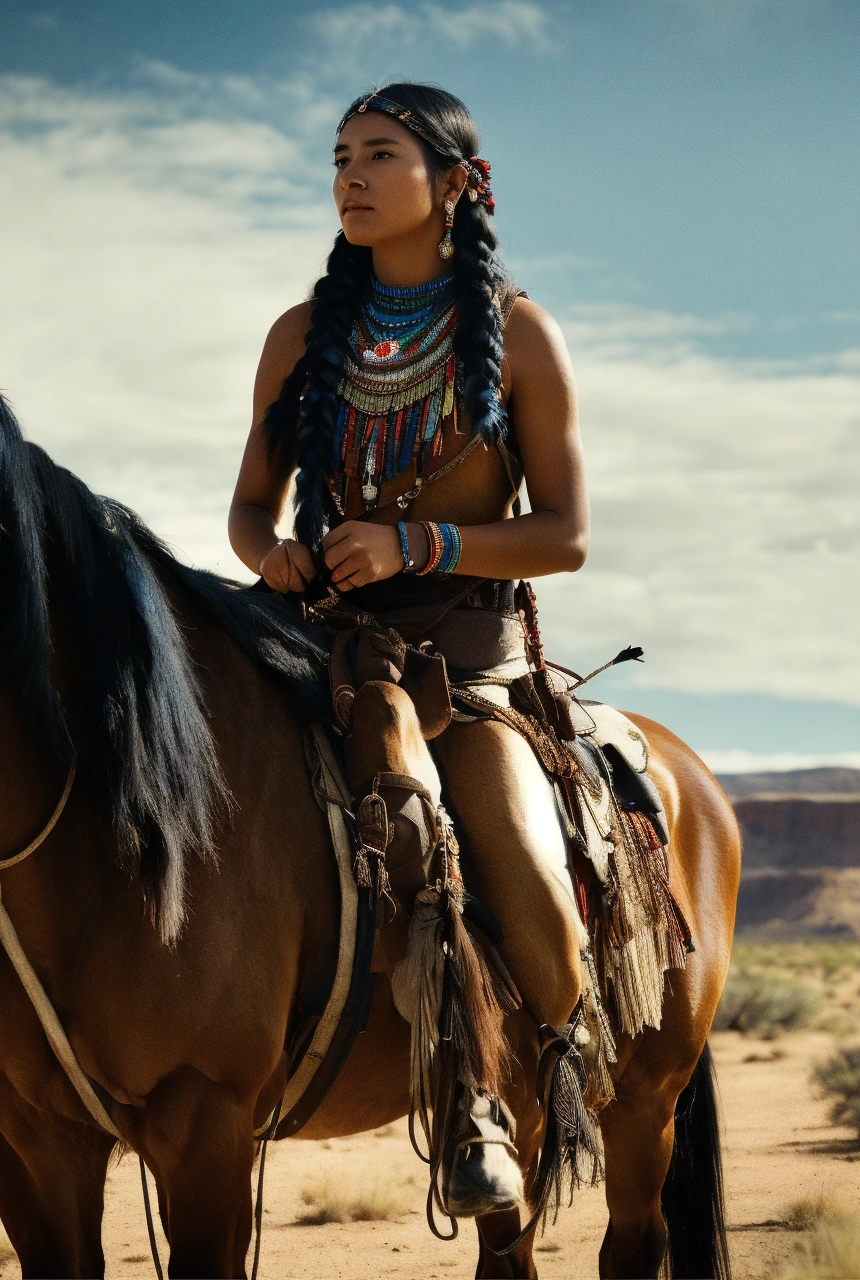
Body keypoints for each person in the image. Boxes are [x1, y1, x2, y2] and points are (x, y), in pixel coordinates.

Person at [227, 82, 592, 1213]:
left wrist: (417, 541)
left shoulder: (519, 330)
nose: (349, 175)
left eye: (379, 155)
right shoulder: (300, 336)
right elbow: (248, 508)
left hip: (465, 662)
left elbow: (567, 536)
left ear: (457, 184)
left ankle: (508, 1083)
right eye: (339, 157)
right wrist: (273, 559)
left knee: (513, 859)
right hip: (315, 646)